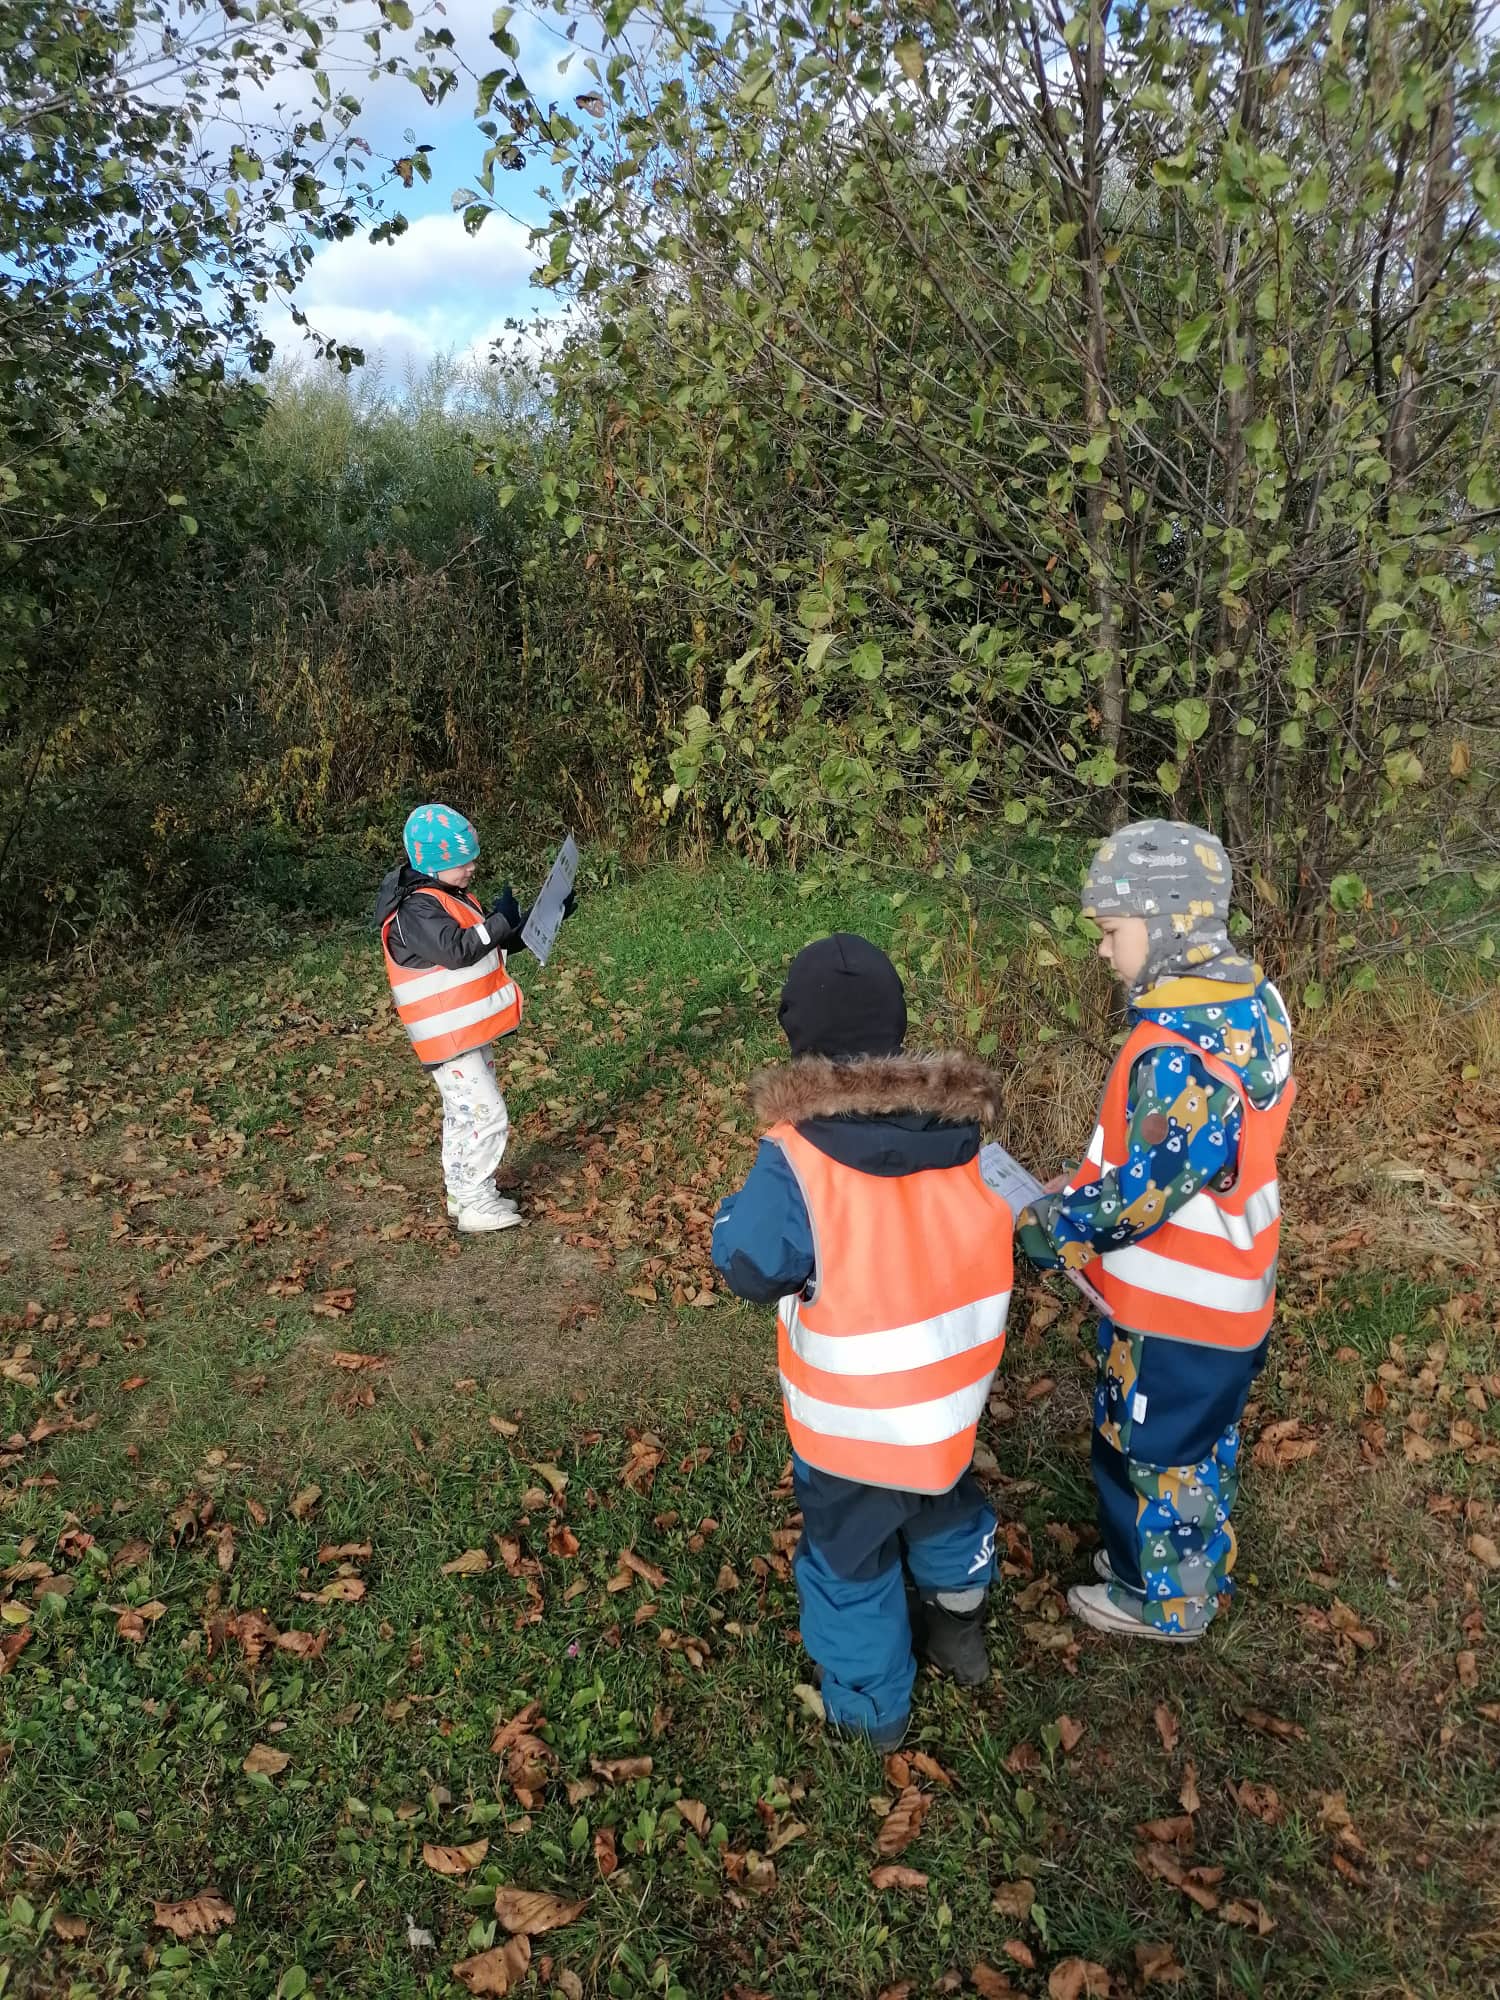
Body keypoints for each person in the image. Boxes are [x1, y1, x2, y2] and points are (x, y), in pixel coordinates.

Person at [712, 935, 1014, 1750]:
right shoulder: (962, 1138)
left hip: (851, 1429)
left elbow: (752, 1262)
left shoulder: (796, 1157)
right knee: (945, 1510)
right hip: (947, 1411)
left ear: (795, 1039)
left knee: (849, 1562)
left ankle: (872, 1710)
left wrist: (722, 1225)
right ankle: (960, 1632)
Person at [1017, 821, 1295, 1642]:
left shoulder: (1176, 1050)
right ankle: (1174, 1559)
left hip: (1178, 1315)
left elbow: (1142, 1197)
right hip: (1229, 1299)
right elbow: (1181, 1160)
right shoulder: (1250, 1009)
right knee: (1196, 1443)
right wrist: (1094, 1176)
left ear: (1168, 925)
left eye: (1111, 932)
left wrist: (1055, 1226)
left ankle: (1166, 1601)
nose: (1103, 952)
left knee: (1155, 1450)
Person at [373, 803, 556, 1234]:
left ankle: (462, 1193)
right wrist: (496, 923)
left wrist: (543, 917)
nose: (472, 866)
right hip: (448, 1039)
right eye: (462, 861)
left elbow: (491, 945)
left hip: (463, 1034)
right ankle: (475, 1201)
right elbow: (458, 949)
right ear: (434, 863)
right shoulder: (416, 910)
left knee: (463, 1115)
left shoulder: (445, 897)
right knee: (487, 1114)